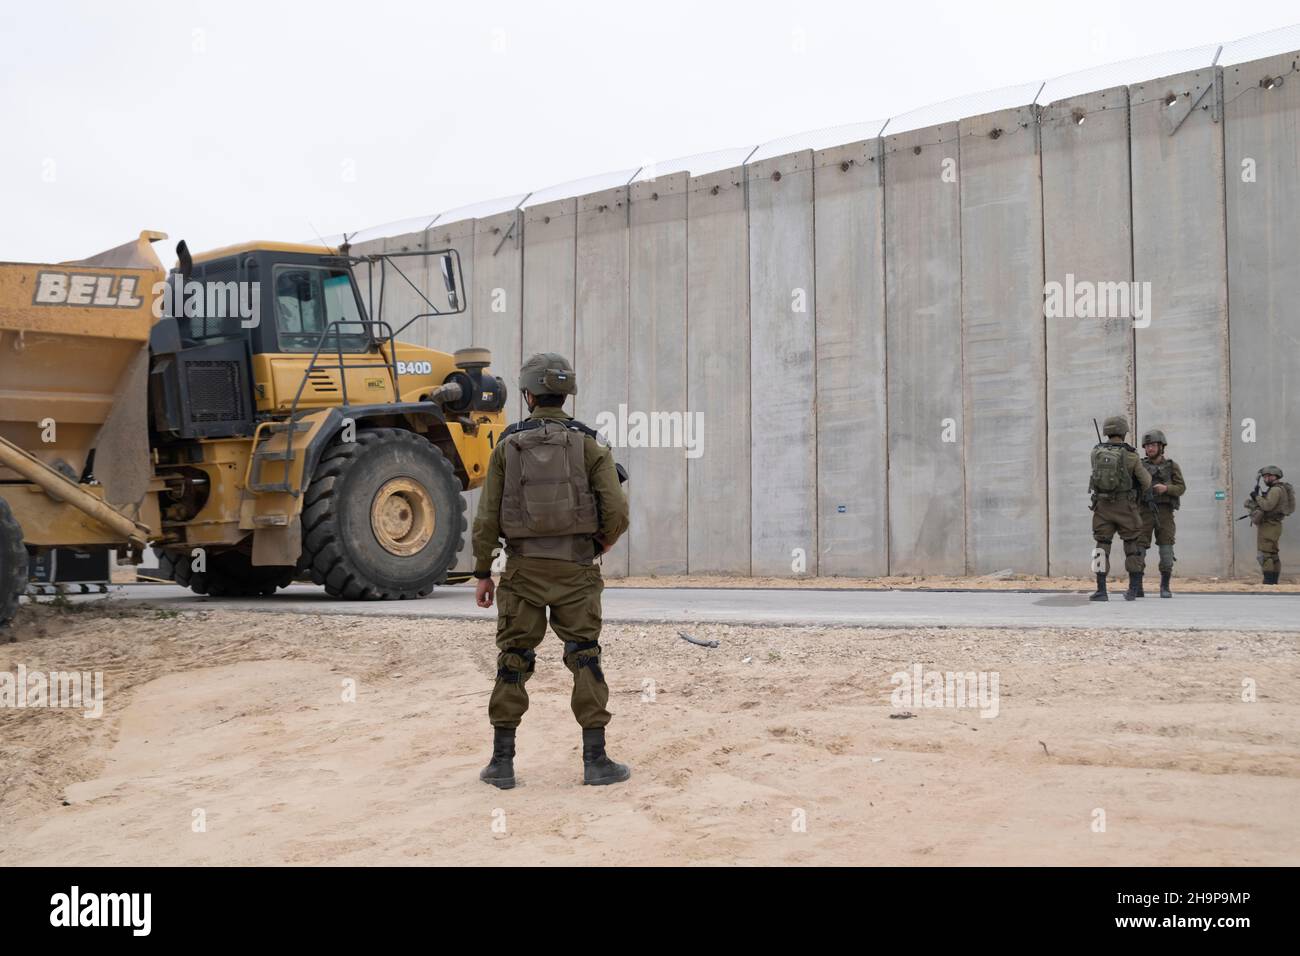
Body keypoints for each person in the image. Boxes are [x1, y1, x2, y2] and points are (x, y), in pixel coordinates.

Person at [471, 353, 631, 788]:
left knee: (514, 660)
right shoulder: (589, 443)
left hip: (521, 571)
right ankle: (595, 762)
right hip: (577, 569)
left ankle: (502, 764)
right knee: (585, 657)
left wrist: (483, 571)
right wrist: (601, 542)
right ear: (566, 393)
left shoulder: (506, 445)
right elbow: (616, 508)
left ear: (526, 395)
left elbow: (486, 517)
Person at [1088, 415, 1152, 602]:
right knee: (1132, 547)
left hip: (1102, 508)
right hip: (1126, 507)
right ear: (1124, 432)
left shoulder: (1095, 453)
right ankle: (1132, 590)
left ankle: (1101, 590)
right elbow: (1146, 481)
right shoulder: (1131, 456)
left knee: (1101, 548)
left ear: (1107, 431)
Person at [1137, 429, 1185, 598]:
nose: (1150, 449)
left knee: (1166, 551)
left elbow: (1181, 488)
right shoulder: (1140, 466)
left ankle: (1165, 586)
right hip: (1144, 512)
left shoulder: (1172, 466)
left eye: (1153, 445)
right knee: (1138, 549)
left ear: (1161, 447)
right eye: (1147, 446)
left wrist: (1166, 489)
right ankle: (1137, 585)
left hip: (1165, 512)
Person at [1244, 465, 1293, 585]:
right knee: (1273, 554)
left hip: (1269, 525)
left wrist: (1256, 497)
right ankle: (1273, 582)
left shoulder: (1276, 490)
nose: (1265, 479)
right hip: (1274, 525)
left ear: (1274, 476)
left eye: (1267, 477)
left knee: (1265, 554)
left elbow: (1267, 506)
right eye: (1264, 477)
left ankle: (1269, 581)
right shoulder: (1279, 489)